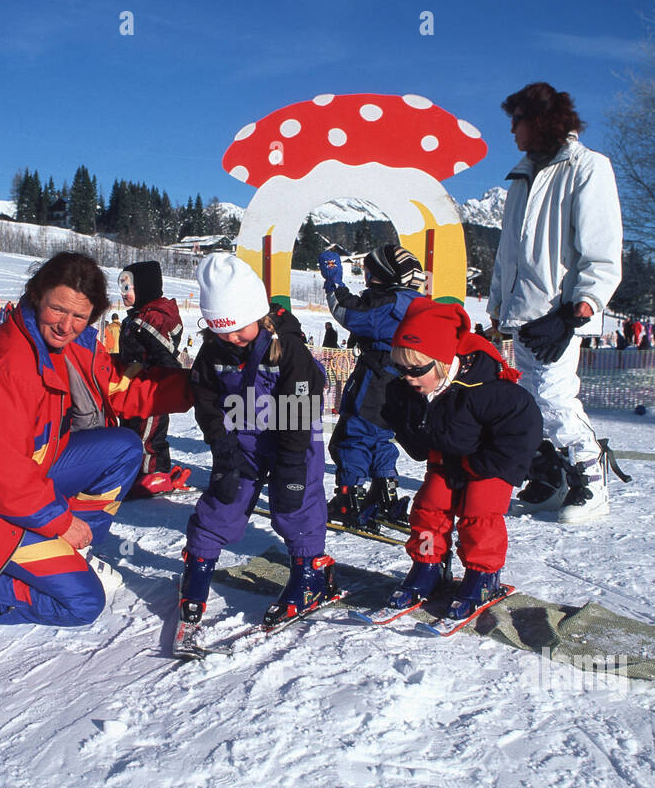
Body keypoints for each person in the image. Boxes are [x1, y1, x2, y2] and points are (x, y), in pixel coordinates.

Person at [0, 251, 192, 627]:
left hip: (20, 474)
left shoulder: (72, 345)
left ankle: (70, 552)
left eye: (80, 316)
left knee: (123, 448)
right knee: (83, 603)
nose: (66, 325)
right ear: (37, 296)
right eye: (58, 310)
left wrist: (198, 386)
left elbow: (121, 387)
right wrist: (59, 521)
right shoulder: (6, 367)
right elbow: (0, 475)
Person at [175, 253, 334, 653]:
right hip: (240, 437)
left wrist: (293, 466)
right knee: (222, 502)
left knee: (294, 507)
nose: (232, 339)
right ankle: (196, 568)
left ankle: (310, 573)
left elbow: (300, 412)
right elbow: (208, 403)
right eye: (220, 330)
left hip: (292, 436)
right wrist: (222, 452)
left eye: (239, 330)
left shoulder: (289, 350)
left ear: (259, 315)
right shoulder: (213, 352)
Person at [488, 82, 623, 524]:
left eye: (517, 122)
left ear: (542, 120)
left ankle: (592, 478)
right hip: (522, 314)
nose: (512, 132)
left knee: (555, 398)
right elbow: (508, 252)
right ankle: (552, 478)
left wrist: (577, 311)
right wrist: (496, 310)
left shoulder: (587, 168)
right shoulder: (521, 177)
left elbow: (601, 250)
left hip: (558, 315)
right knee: (530, 403)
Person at [381, 299, 542, 625]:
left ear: (441, 362)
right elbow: (415, 433)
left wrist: (486, 464)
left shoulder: (487, 390)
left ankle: (483, 576)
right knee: (429, 507)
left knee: (478, 514)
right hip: (448, 457)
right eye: (401, 369)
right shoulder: (411, 389)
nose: (408, 377)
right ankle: (427, 566)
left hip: (491, 462)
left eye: (416, 370)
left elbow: (524, 429)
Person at [319, 243, 425, 529]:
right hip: (402, 381)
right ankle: (384, 491)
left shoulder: (387, 303)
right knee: (380, 437)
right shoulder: (413, 302)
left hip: (376, 377)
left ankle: (349, 497)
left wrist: (334, 282)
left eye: (370, 274)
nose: (366, 281)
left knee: (351, 436)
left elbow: (348, 313)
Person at [116, 260, 190, 496]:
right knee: (130, 430)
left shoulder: (153, 319)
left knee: (148, 432)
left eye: (128, 288)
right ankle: (133, 470)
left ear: (144, 287)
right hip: (132, 388)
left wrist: (164, 384)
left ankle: (155, 472)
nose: (123, 294)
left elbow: (164, 356)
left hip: (152, 389)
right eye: (122, 288)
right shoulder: (135, 318)